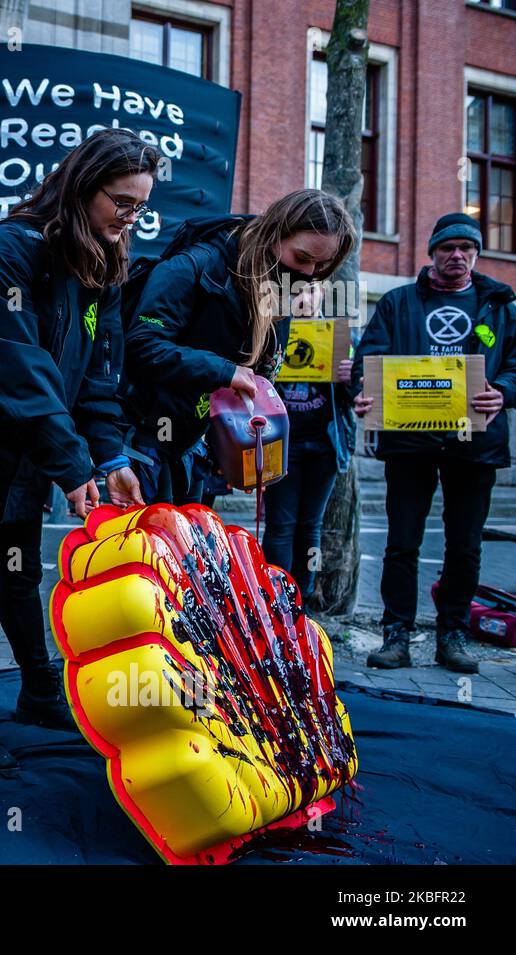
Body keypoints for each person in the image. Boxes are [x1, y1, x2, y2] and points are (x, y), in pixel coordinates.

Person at [0, 129, 150, 776]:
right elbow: (18, 368)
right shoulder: (8, 250)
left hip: (31, 459)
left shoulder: (103, 268)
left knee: (22, 576)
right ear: (83, 185)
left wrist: (111, 459)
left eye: (140, 208)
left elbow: (98, 381)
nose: (129, 219)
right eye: (122, 202)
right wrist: (73, 462)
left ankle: (38, 691)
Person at [353, 213, 516, 674]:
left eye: (467, 248)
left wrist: (503, 390)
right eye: (448, 248)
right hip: (409, 442)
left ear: (477, 255)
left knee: (465, 546)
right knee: (402, 543)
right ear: (432, 253)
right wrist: (363, 391)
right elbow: (370, 357)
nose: (457, 256)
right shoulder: (399, 303)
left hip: (474, 443)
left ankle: (454, 635)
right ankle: (396, 634)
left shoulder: (500, 306)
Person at [123, 190, 357, 505]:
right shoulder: (193, 265)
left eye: (322, 266)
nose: (308, 273)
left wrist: (244, 451)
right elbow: (142, 345)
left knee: (191, 553)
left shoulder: (279, 291)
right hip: (143, 439)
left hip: (198, 449)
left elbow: (259, 380)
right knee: (149, 550)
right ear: (275, 233)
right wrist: (224, 371)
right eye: (301, 258)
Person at [262, 283, 357, 602]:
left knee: (309, 525)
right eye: (295, 293)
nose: (303, 299)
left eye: (311, 292)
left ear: (324, 295)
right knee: (281, 524)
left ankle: (302, 597)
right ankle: (275, 597)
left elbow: (360, 397)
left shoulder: (342, 339)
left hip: (324, 446)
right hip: (281, 446)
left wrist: (351, 379)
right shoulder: (269, 335)